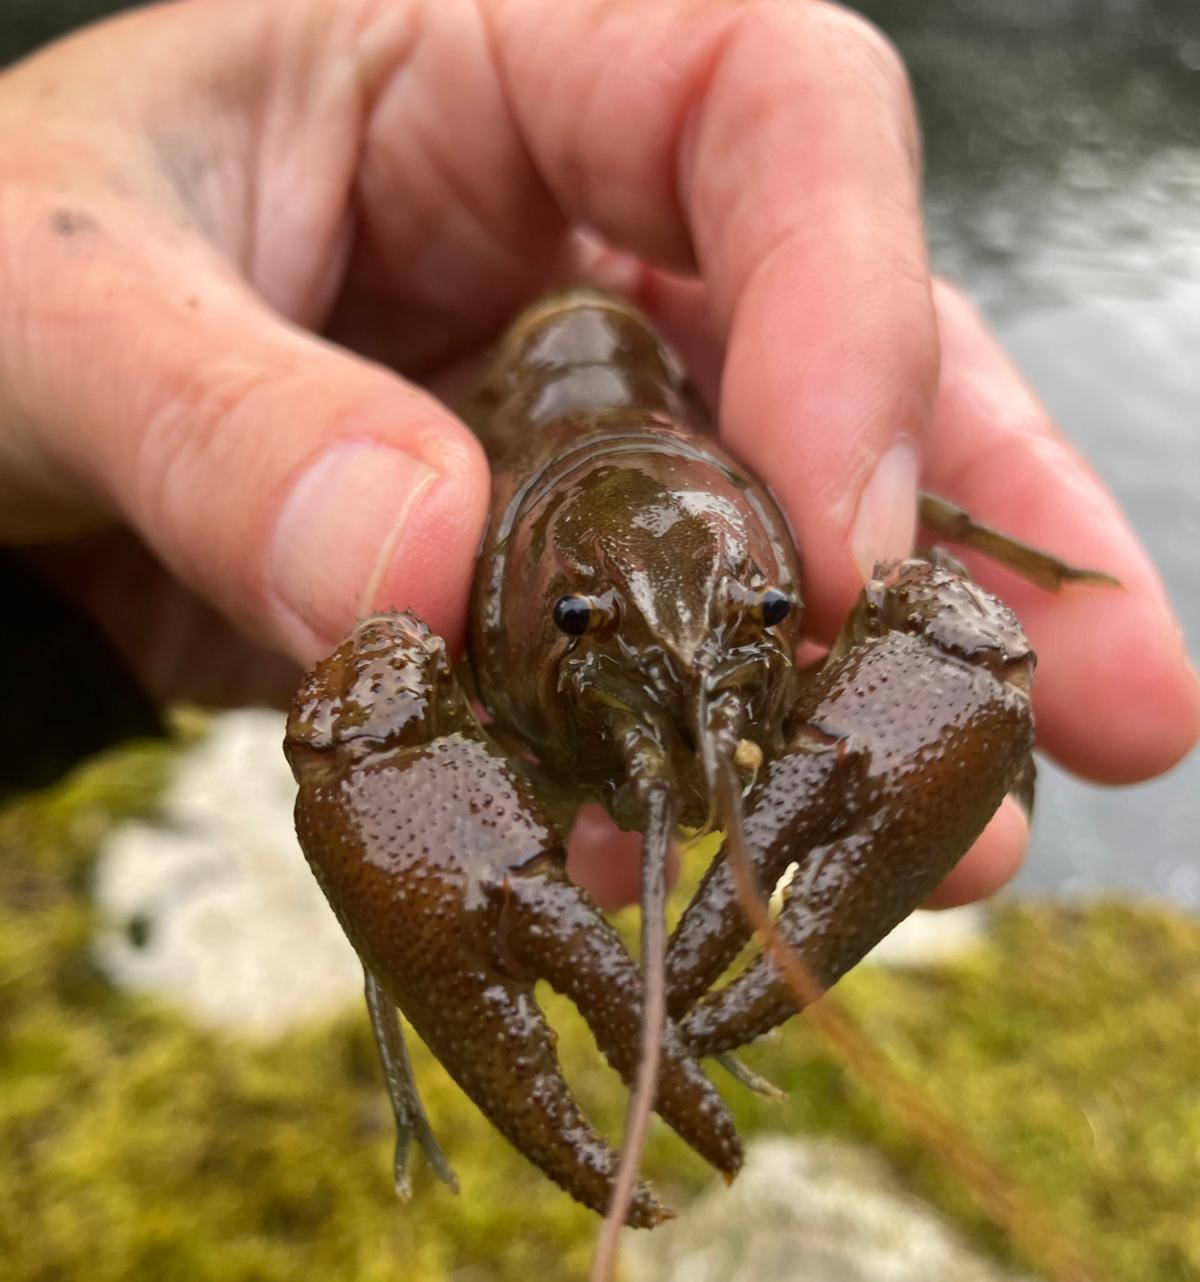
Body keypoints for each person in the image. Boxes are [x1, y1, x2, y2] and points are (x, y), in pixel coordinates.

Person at [1, 0, 1195, 908]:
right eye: (573, 619)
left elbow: (957, 646)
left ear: (777, 552)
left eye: (773, 605)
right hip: (526, 404)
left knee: (958, 650)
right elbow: (373, 745)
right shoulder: (470, 579)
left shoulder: (755, 597)